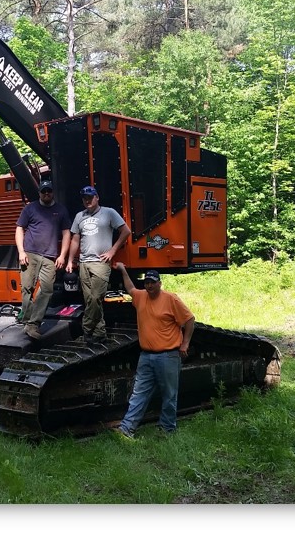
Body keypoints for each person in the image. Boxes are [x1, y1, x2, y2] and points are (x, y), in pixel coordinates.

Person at [113, 262, 196, 437]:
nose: (149, 285)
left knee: (169, 394)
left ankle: (167, 429)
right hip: (146, 356)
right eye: (147, 282)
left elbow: (189, 319)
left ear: (159, 283)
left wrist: (185, 343)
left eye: (153, 282)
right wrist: (122, 269)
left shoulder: (170, 299)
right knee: (139, 392)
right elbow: (129, 288)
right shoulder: (140, 296)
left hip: (168, 355)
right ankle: (126, 429)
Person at [65, 185, 130, 344]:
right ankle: (100, 334)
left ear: (97, 197)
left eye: (90, 197)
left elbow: (126, 231)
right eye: (84, 198)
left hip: (101, 263)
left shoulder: (109, 212)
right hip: (83, 264)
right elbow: (75, 239)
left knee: (95, 298)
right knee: (90, 301)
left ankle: (86, 329)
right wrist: (69, 260)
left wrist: (112, 251)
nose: (87, 200)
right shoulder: (80, 216)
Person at [15, 179, 72, 339]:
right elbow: (19, 229)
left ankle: (33, 324)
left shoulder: (61, 210)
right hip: (30, 254)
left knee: (47, 290)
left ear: (52, 192)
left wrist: (62, 255)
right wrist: (21, 252)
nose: (46, 194)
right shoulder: (30, 208)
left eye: (49, 191)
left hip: (50, 257)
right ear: (39, 193)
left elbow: (66, 233)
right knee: (27, 288)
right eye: (43, 191)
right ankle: (28, 322)